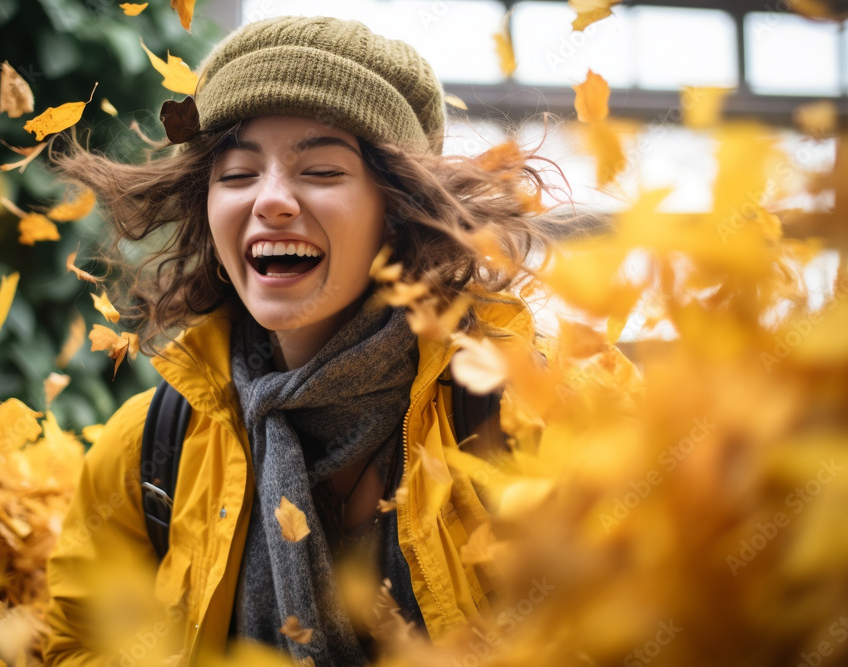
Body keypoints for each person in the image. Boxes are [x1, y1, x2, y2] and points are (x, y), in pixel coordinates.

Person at [43, 15, 552, 667]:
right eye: (236, 175)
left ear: (395, 208)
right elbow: (75, 643)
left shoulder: (525, 416)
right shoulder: (149, 447)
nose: (272, 200)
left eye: (320, 170)